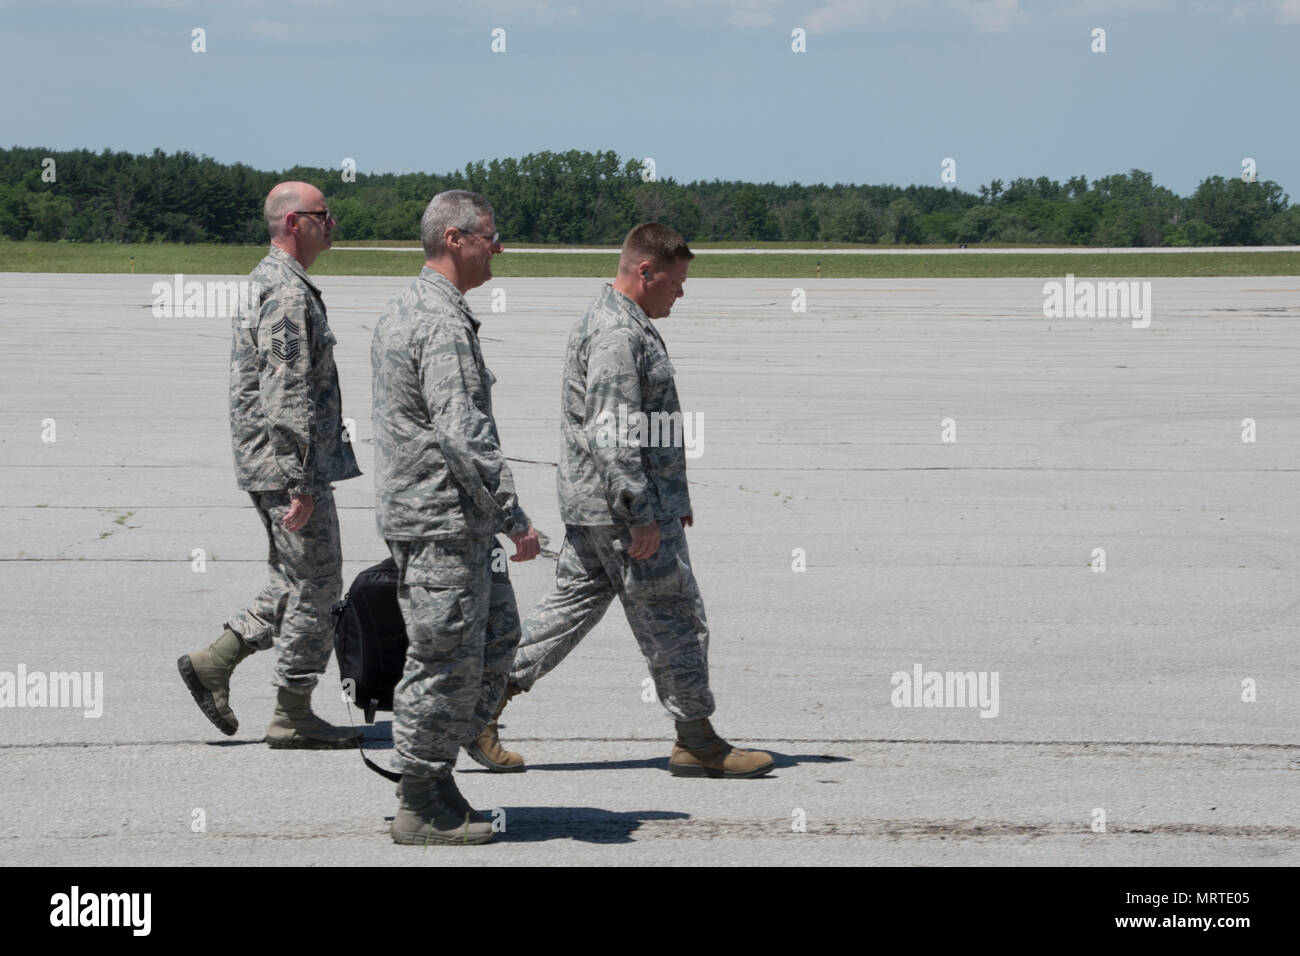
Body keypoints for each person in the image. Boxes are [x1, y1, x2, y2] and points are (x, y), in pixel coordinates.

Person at [469, 222, 773, 779]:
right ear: (645, 271)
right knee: (676, 620)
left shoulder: (622, 321)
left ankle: (478, 707)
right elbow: (613, 431)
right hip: (621, 513)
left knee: (564, 615)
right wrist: (641, 512)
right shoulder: (616, 333)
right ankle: (697, 740)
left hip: (599, 509)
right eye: (675, 282)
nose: (681, 293)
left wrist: (672, 494)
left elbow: (646, 425)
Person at [371, 190, 540, 845]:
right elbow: (463, 432)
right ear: (453, 238)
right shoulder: (437, 322)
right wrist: (514, 516)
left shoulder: (417, 308)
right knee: (441, 660)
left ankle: (438, 773)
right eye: (490, 237)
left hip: (447, 521)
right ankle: (420, 801)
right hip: (440, 521)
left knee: (496, 638)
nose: (499, 248)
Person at [178, 182, 363, 749]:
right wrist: (301, 479)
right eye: (321, 216)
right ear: (292, 222)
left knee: (294, 577)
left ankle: (217, 660)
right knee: (320, 583)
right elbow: (287, 394)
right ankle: (293, 712)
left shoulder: (281, 282)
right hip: (289, 467)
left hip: (282, 463)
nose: (331, 223)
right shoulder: (284, 292)